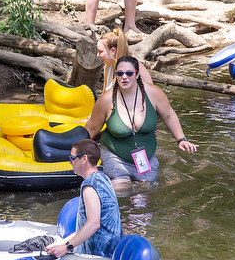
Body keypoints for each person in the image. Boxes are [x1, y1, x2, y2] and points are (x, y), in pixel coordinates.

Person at [84, 55, 197, 188]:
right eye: (119, 73)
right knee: (122, 191)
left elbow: (169, 115)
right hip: (115, 156)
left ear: (137, 75)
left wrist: (181, 139)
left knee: (145, 195)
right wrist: (76, 153)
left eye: (129, 73)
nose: (124, 77)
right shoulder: (106, 100)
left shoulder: (153, 93)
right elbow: (91, 129)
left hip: (145, 159)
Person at [45, 139, 122, 258]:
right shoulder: (104, 178)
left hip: (98, 259)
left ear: (84, 159)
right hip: (112, 254)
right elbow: (90, 226)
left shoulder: (89, 186)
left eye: (72, 158)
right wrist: (63, 242)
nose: (70, 162)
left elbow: (94, 224)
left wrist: (66, 248)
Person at [96, 27, 153, 92]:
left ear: (113, 51)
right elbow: (104, 96)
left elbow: (150, 95)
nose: (98, 55)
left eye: (101, 51)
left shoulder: (136, 67)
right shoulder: (108, 67)